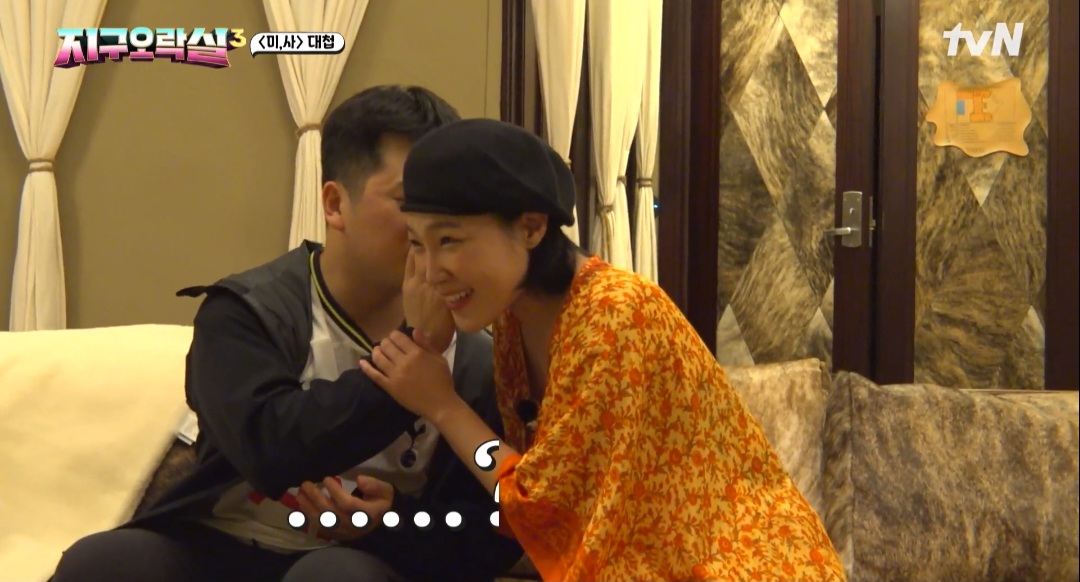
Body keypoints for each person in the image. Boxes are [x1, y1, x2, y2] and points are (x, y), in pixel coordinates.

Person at [50, 88, 523, 582]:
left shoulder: (476, 356)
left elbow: (490, 532)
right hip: (224, 542)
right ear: (335, 204)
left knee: (333, 577)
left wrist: (392, 523)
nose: (432, 225)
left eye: (449, 205)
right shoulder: (248, 312)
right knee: (104, 562)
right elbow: (271, 449)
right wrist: (416, 349)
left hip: (365, 560)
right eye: (410, 202)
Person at [357, 118, 848, 581]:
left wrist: (444, 407)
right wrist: (427, 342)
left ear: (531, 228)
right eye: (417, 244)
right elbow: (520, 494)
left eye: (449, 240)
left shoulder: (614, 316)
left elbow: (536, 503)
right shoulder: (513, 319)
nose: (429, 271)